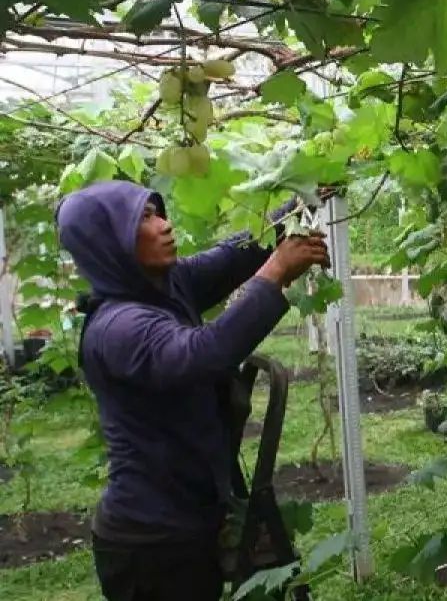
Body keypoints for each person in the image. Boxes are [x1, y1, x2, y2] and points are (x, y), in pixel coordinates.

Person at [55, 180, 329, 601]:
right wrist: (277, 271)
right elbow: (206, 354)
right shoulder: (119, 327)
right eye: (143, 219)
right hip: (150, 544)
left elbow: (229, 257)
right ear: (108, 243)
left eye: (157, 211)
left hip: (184, 522)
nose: (164, 225)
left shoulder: (164, 284)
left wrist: (296, 206)